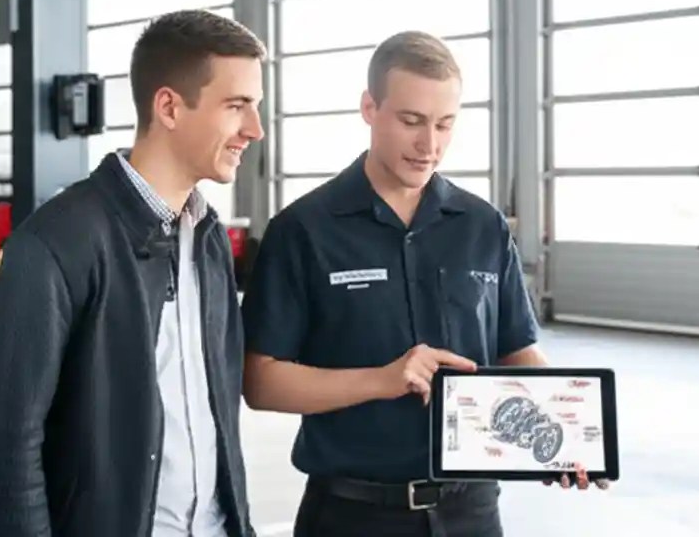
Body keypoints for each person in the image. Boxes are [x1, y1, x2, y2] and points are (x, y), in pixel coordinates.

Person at [241, 31, 603, 537]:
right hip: (350, 515)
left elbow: (515, 348)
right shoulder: (303, 230)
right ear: (370, 107)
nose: (428, 145)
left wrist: (564, 433)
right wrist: (384, 379)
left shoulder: (483, 227)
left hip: (471, 513)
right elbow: (260, 382)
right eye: (411, 121)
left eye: (444, 124)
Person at [0, 9, 266, 536]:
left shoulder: (209, 240)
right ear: (168, 106)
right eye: (237, 106)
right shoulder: (56, 244)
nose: (255, 130)